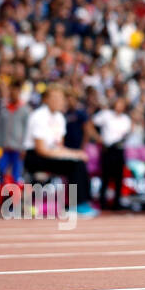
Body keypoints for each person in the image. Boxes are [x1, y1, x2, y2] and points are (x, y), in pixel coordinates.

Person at [24, 86, 95, 218]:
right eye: (55, 98)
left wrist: (75, 154)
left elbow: (59, 146)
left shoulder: (60, 118)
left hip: (51, 154)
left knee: (79, 161)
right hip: (35, 156)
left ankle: (84, 202)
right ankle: (77, 204)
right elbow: (41, 150)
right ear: (46, 100)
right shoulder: (38, 116)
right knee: (74, 164)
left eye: (61, 98)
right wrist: (72, 155)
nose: (59, 101)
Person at [92, 96, 134, 211]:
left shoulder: (126, 119)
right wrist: (97, 137)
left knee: (119, 178)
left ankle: (117, 203)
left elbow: (128, 133)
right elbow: (91, 123)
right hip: (107, 149)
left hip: (119, 149)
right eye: (118, 104)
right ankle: (102, 202)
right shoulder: (105, 115)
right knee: (105, 177)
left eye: (122, 104)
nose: (119, 107)